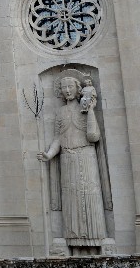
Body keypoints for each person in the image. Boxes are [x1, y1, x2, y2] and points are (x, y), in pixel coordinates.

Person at [37, 75, 107, 251]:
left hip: (86, 156)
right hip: (67, 159)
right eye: (64, 87)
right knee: (71, 201)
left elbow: (93, 136)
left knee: (90, 197)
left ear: (77, 89)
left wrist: (90, 110)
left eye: (70, 87)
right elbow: (58, 138)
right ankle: (74, 242)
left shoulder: (84, 109)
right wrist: (50, 154)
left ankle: (94, 240)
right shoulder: (60, 113)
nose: (67, 90)